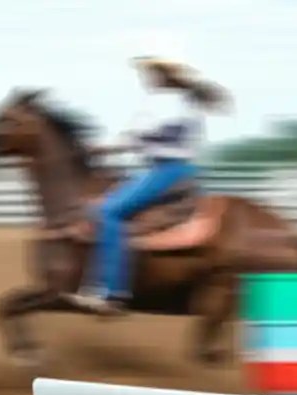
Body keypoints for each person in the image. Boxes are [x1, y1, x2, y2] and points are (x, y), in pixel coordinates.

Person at [71, 54, 229, 314]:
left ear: (162, 74)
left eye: (148, 71)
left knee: (108, 212)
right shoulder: (185, 101)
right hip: (172, 170)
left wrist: (104, 148)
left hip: (167, 172)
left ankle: (111, 292)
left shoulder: (166, 102)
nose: (145, 76)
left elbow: (142, 134)